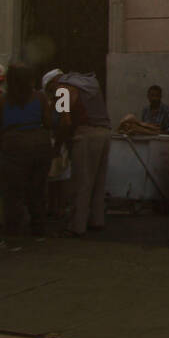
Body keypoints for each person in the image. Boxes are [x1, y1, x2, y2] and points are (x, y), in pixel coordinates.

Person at [0, 64, 55, 249]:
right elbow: (48, 123)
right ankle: (38, 232)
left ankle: (12, 238)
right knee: (37, 191)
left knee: (12, 195)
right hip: (41, 146)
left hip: (14, 148)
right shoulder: (40, 97)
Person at [42, 68, 112, 237]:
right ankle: (97, 220)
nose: (52, 94)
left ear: (52, 84)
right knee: (98, 181)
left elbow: (64, 121)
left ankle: (76, 226)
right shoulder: (87, 83)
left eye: (50, 91)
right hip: (105, 132)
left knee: (81, 181)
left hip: (85, 134)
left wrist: (58, 145)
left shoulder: (62, 90)